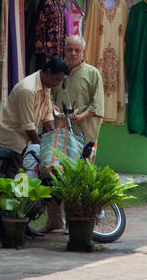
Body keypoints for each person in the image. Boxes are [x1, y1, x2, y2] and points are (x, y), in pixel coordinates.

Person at [41, 35, 104, 232]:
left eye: (77, 50)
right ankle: (55, 220)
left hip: (84, 135)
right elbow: (47, 96)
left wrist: (81, 116)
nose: (73, 53)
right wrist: (52, 108)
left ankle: (76, 221)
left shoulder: (93, 74)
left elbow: (98, 106)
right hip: (60, 135)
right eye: (70, 49)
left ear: (83, 51)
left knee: (79, 179)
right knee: (54, 175)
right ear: (65, 50)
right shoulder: (59, 73)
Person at [0, 56, 69, 178]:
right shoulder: (28, 89)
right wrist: (43, 151)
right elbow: (29, 127)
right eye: (57, 80)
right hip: (12, 142)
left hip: (24, 141)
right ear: (48, 73)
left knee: (23, 182)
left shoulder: (46, 86)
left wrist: (54, 141)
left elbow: (47, 116)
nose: (58, 84)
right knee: (15, 182)